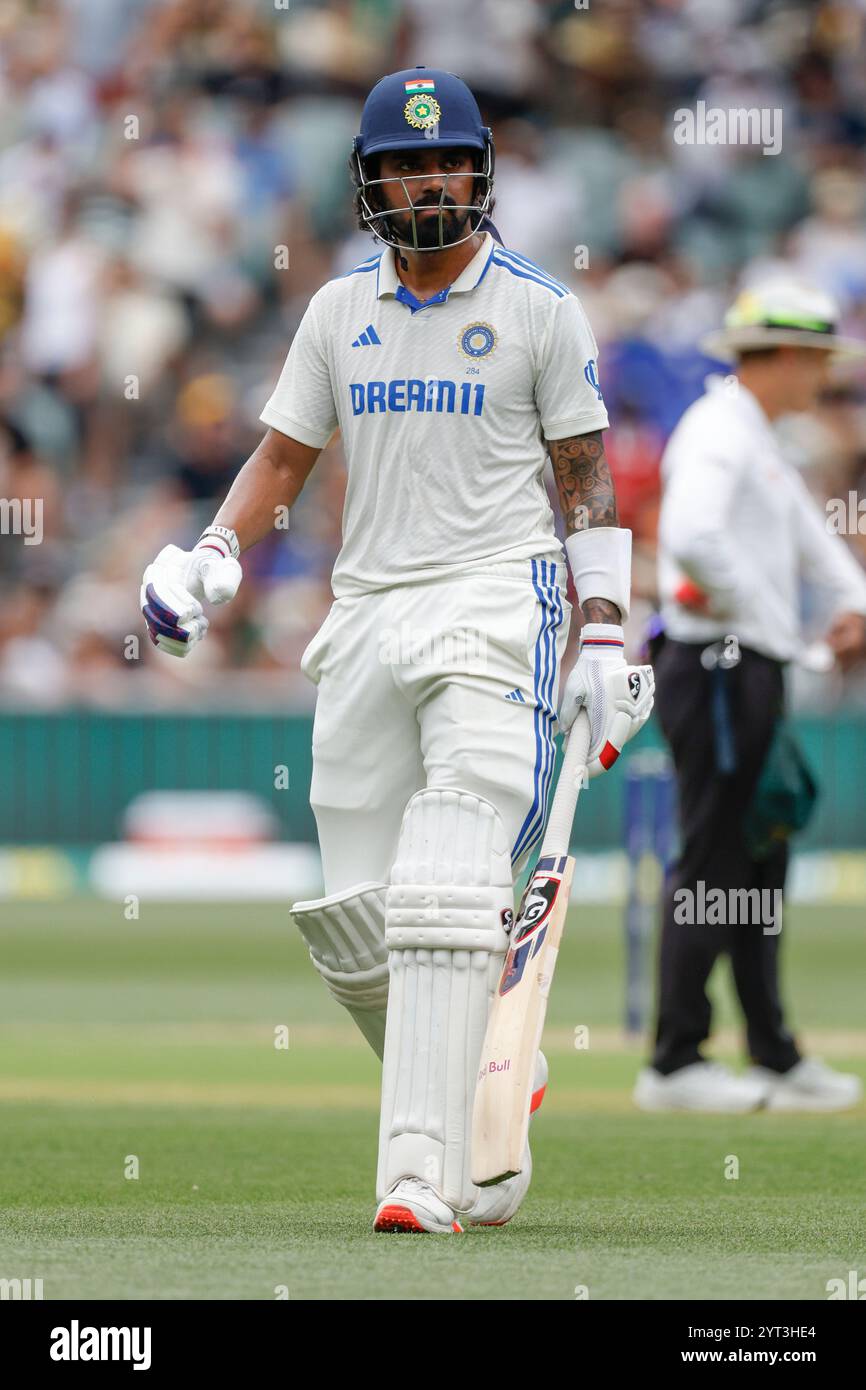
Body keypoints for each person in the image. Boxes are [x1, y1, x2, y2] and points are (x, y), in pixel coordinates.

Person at [141, 67, 654, 1231]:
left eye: (448, 164)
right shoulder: (335, 311)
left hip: (494, 598)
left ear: (479, 175)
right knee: (354, 918)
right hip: (364, 609)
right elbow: (282, 458)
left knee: (440, 889)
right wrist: (212, 552)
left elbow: (584, 481)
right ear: (369, 183)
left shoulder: (536, 307)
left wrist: (603, 625)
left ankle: (421, 1177)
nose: (428, 181)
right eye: (404, 166)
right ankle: (485, 1057)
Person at [635, 279, 866, 1114]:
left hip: (742, 667)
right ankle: (675, 1062)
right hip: (721, 669)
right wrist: (772, 623)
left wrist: (849, 603)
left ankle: (770, 1051)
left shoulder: (750, 434)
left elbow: (808, 535)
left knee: (756, 857)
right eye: (818, 362)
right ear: (790, 357)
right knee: (716, 858)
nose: (823, 380)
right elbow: (692, 537)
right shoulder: (721, 432)